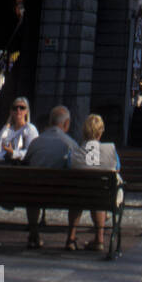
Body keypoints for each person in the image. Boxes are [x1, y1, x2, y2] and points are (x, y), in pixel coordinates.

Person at [23, 105, 86, 248]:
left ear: (50, 122)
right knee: (78, 195)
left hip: (36, 193)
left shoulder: (36, 142)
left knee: (32, 192)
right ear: (66, 123)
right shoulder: (71, 144)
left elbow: (26, 162)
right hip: (63, 195)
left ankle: (34, 234)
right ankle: (71, 238)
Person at [66, 115, 121, 252]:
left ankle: (70, 238)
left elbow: (68, 167)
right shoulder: (110, 150)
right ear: (100, 132)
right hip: (104, 196)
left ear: (83, 132)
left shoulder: (74, 152)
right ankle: (99, 239)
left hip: (78, 195)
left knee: (78, 195)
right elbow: (118, 167)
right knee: (99, 193)